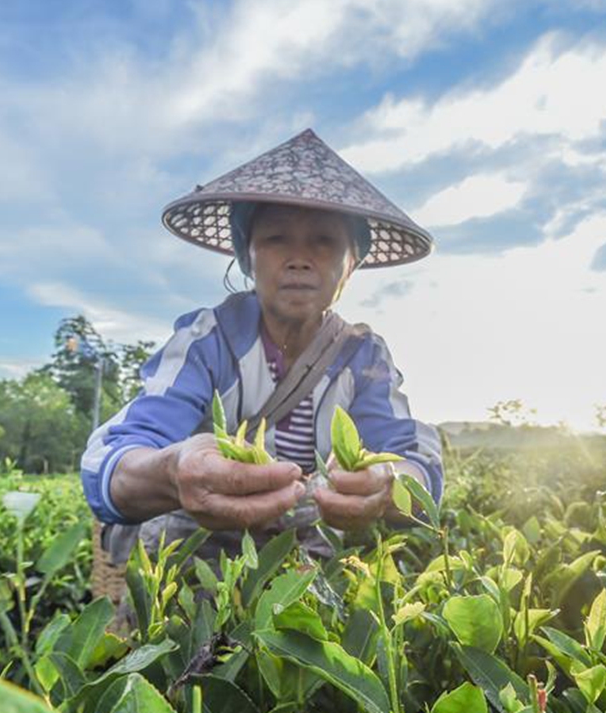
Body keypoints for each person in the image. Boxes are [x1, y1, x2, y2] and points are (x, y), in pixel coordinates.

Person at [81, 129, 443, 566]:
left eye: (324, 241)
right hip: (199, 560)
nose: (299, 258)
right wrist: (174, 471)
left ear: (352, 263)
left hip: (306, 564)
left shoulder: (364, 356)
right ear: (246, 255)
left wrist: (387, 484)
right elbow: (119, 456)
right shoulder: (208, 341)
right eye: (276, 238)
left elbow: (411, 459)